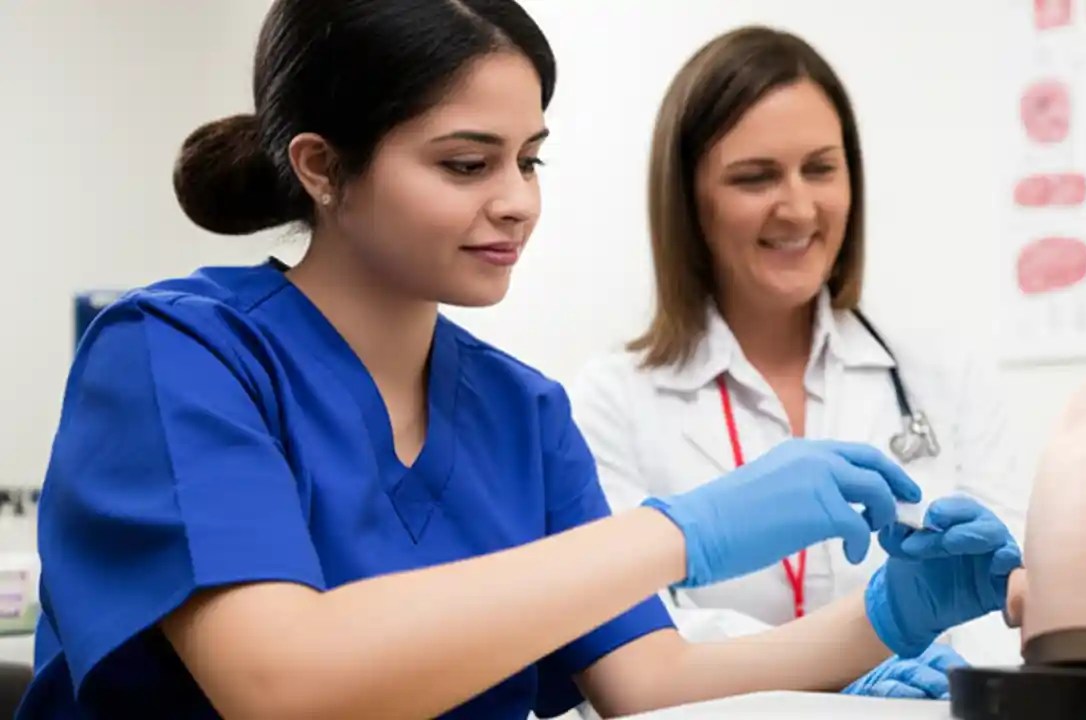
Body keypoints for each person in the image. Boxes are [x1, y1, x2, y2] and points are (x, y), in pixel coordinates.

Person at [18, 3, 1021, 719]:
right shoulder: (177, 357)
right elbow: (280, 683)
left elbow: (648, 683)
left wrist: (889, 615)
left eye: (528, 159)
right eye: (466, 164)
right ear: (321, 167)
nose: (516, 202)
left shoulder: (518, 411)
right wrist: (677, 534)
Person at [570, 25, 1030, 694]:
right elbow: (630, 645)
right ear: (689, 200)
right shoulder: (614, 401)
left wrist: (958, 665)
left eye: (820, 169)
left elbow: (1011, 591)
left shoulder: (943, 377)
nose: (797, 207)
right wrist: (834, 676)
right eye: (755, 177)